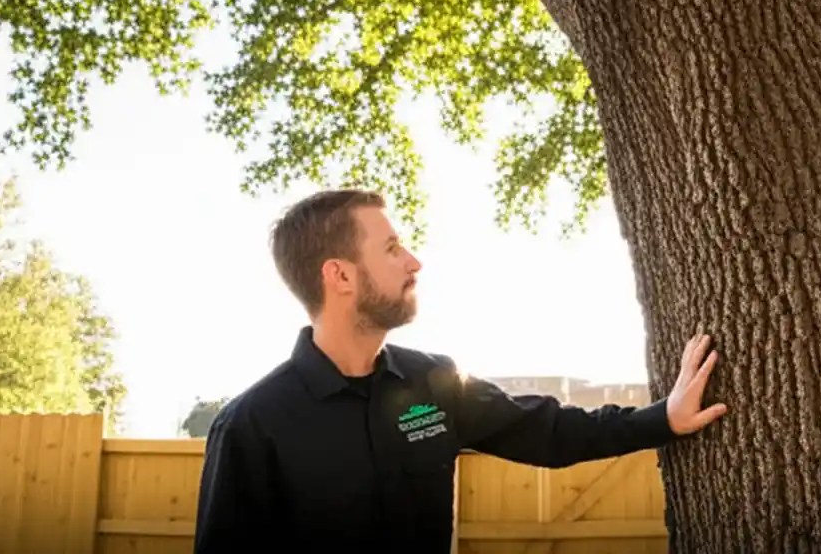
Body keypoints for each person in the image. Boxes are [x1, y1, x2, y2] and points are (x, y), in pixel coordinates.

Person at [193, 189, 728, 552]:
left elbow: (552, 432)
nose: (414, 261)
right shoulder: (251, 426)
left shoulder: (435, 385)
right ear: (340, 276)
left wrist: (665, 419)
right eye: (391, 248)